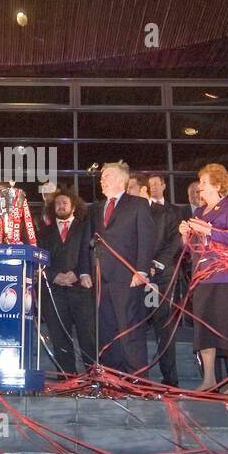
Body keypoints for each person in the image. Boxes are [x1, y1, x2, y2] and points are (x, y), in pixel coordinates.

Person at [179, 163, 228, 392]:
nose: (199, 185)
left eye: (203, 181)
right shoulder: (199, 212)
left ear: (217, 184)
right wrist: (185, 237)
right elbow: (194, 249)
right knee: (205, 328)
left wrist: (209, 231)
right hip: (203, 278)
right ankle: (209, 378)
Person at [90, 161, 155, 375]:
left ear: (120, 180)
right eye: (101, 176)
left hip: (127, 277)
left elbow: (147, 238)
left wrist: (142, 270)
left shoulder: (137, 204)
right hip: (102, 278)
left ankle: (136, 380)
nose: (102, 179)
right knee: (107, 329)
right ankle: (112, 378)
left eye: (107, 175)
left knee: (129, 329)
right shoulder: (98, 207)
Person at [130, 172, 183, 385]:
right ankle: (139, 376)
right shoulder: (130, 212)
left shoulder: (170, 212)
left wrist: (154, 265)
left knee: (164, 326)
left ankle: (170, 379)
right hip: (136, 277)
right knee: (137, 325)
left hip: (160, 278)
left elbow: (173, 241)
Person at [36, 188, 93, 376]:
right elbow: (39, 258)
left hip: (81, 291)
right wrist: (54, 276)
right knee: (59, 337)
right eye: (57, 203)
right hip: (54, 291)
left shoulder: (86, 227)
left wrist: (77, 274)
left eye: (64, 203)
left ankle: (93, 377)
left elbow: (90, 254)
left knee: (88, 336)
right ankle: (67, 378)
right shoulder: (44, 231)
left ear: (73, 206)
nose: (60, 206)